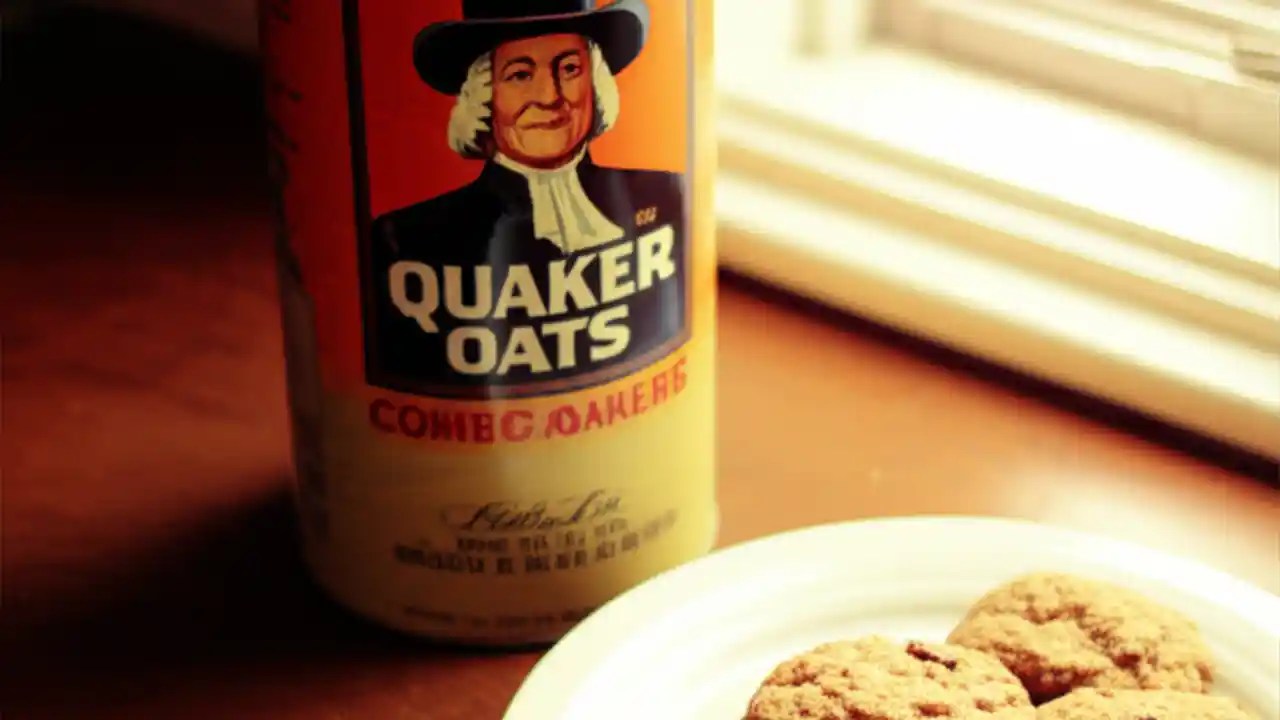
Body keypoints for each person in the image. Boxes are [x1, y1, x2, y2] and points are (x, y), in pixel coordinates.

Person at [366, 0, 688, 395]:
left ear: (595, 83)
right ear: (484, 99)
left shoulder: (664, 195)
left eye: (569, 69)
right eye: (519, 75)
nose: (549, 97)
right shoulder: (411, 236)